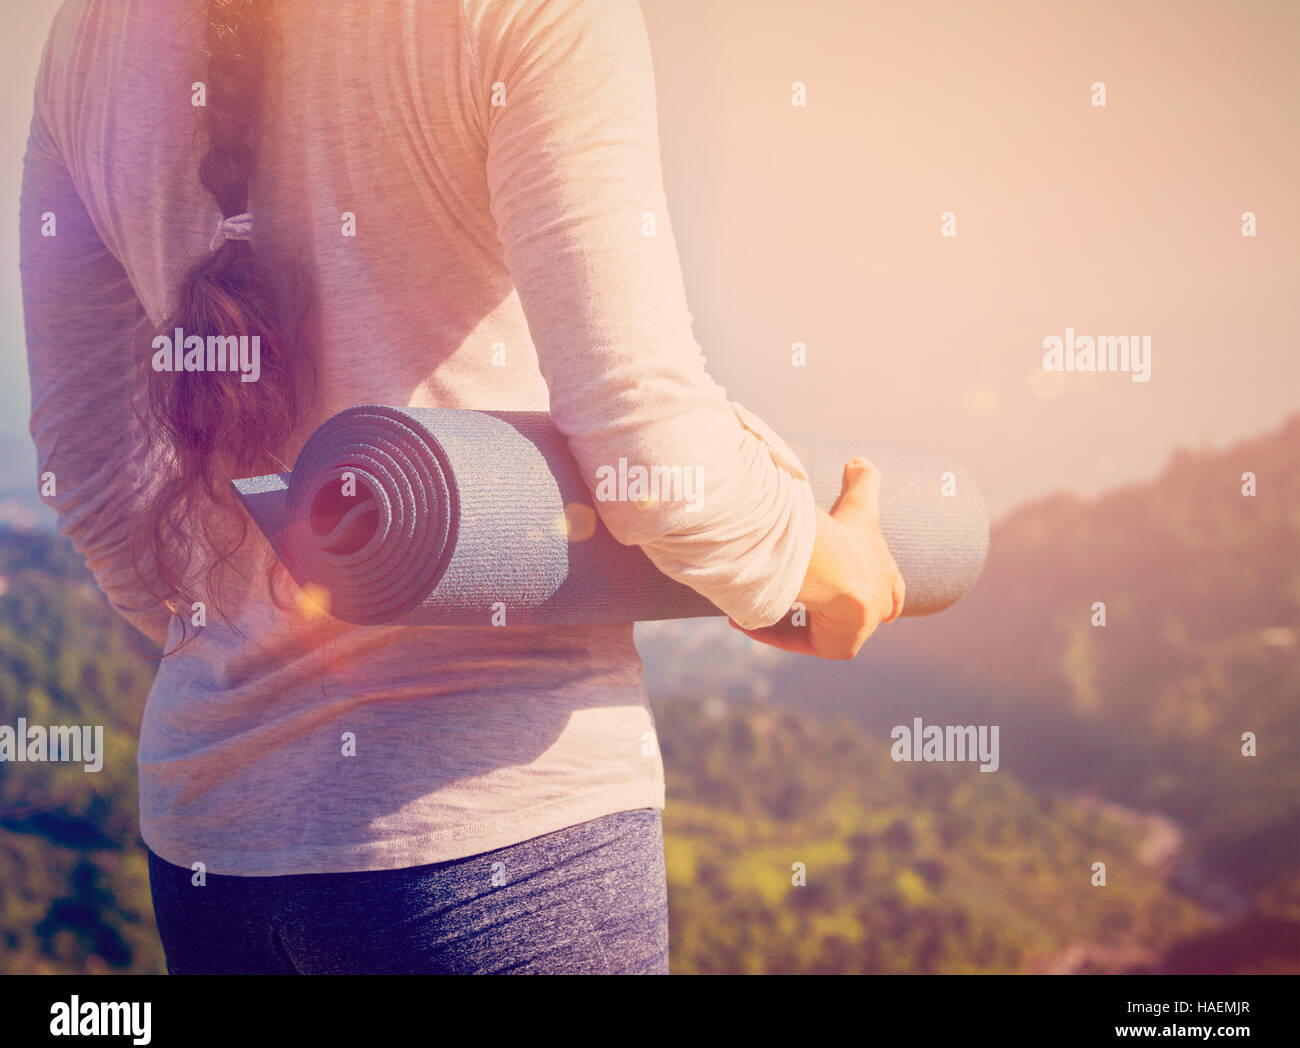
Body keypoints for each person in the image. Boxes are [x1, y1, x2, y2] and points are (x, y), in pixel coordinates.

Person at [20, 0, 903, 975]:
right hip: (500, 839)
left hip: (214, 860)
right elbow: (647, 446)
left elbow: (90, 469)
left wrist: (235, 647)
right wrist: (817, 559)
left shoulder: (90, 30)